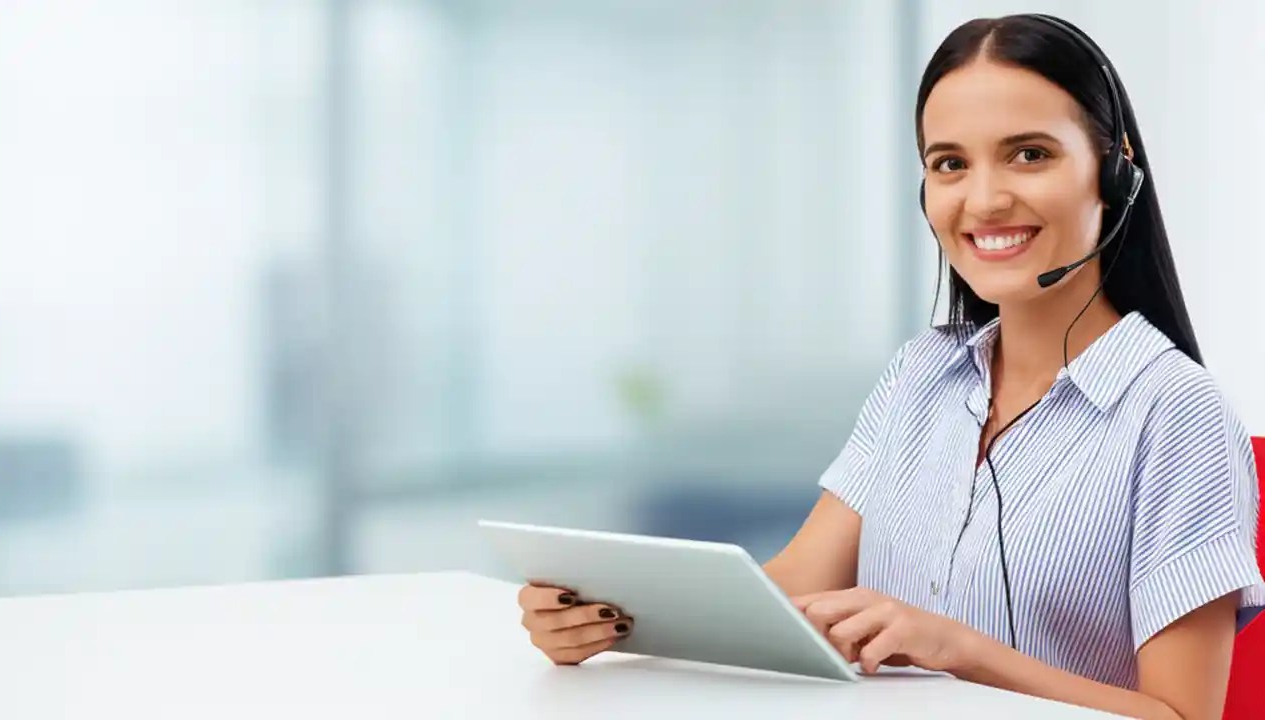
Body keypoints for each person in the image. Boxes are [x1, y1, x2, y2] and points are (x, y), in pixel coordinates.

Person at [515, 14, 1264, 719]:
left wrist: (958, 650)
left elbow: (1179, 715)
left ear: (1114, 172)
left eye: (1029, 153)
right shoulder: (921, 376)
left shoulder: (1177, 413)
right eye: (949, 164)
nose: (984, 199)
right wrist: (609, 619)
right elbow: (784, 598)